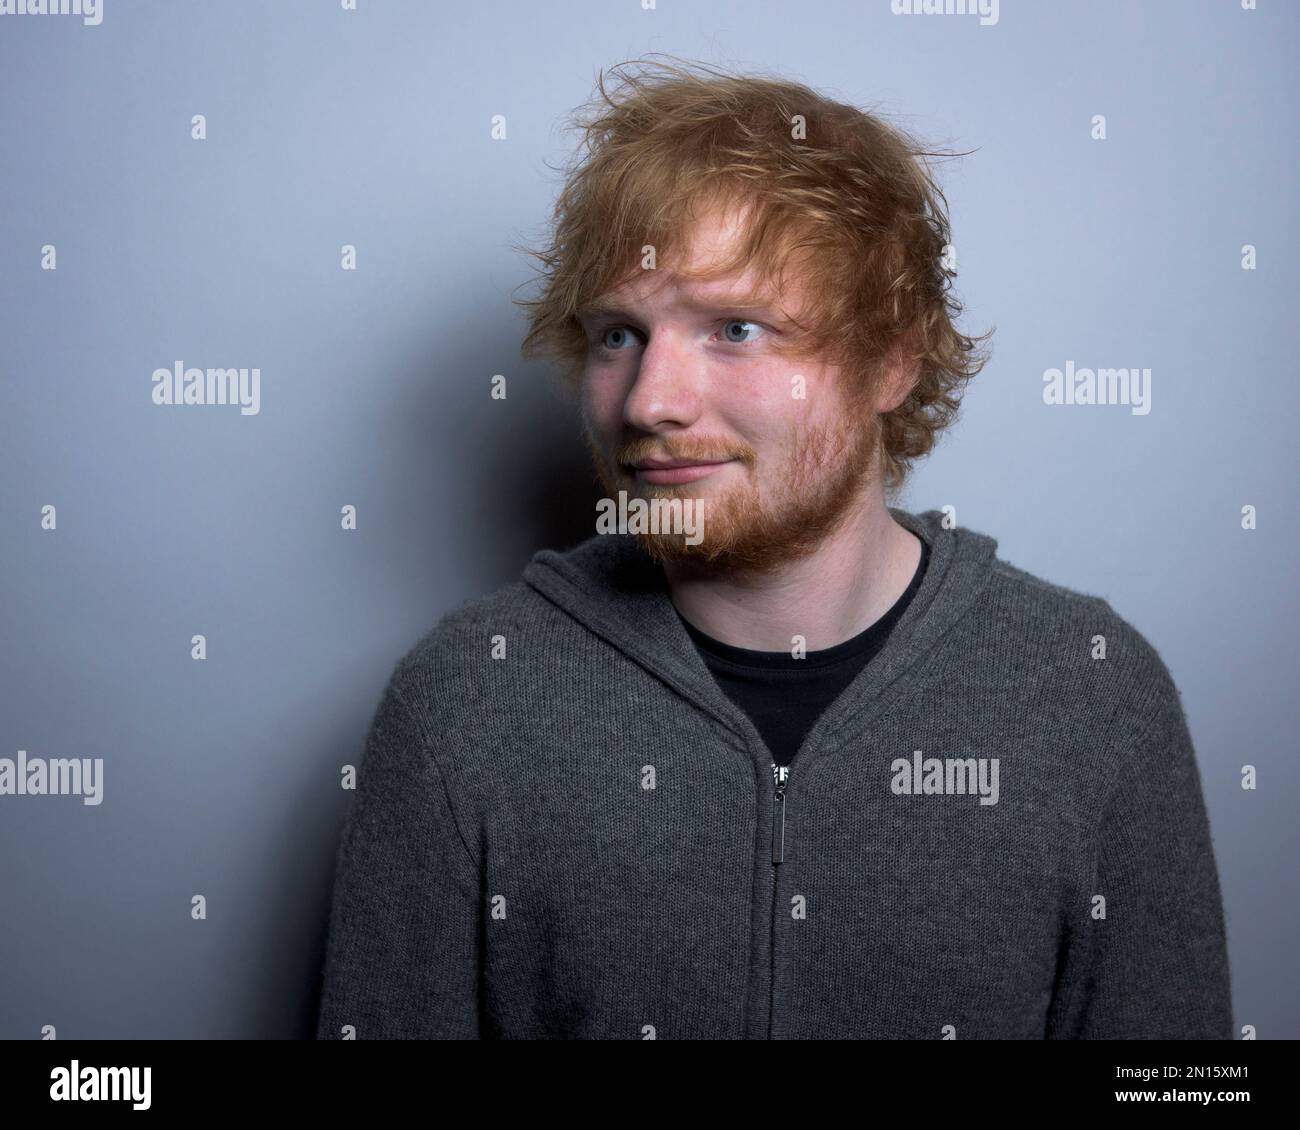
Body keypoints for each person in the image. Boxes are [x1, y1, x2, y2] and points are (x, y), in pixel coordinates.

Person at [316, 58, 1231, 1040]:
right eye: (619, 335)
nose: (650, 401)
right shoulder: (464, 700)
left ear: (890, 360)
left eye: (735, 329)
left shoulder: (1090, 694)